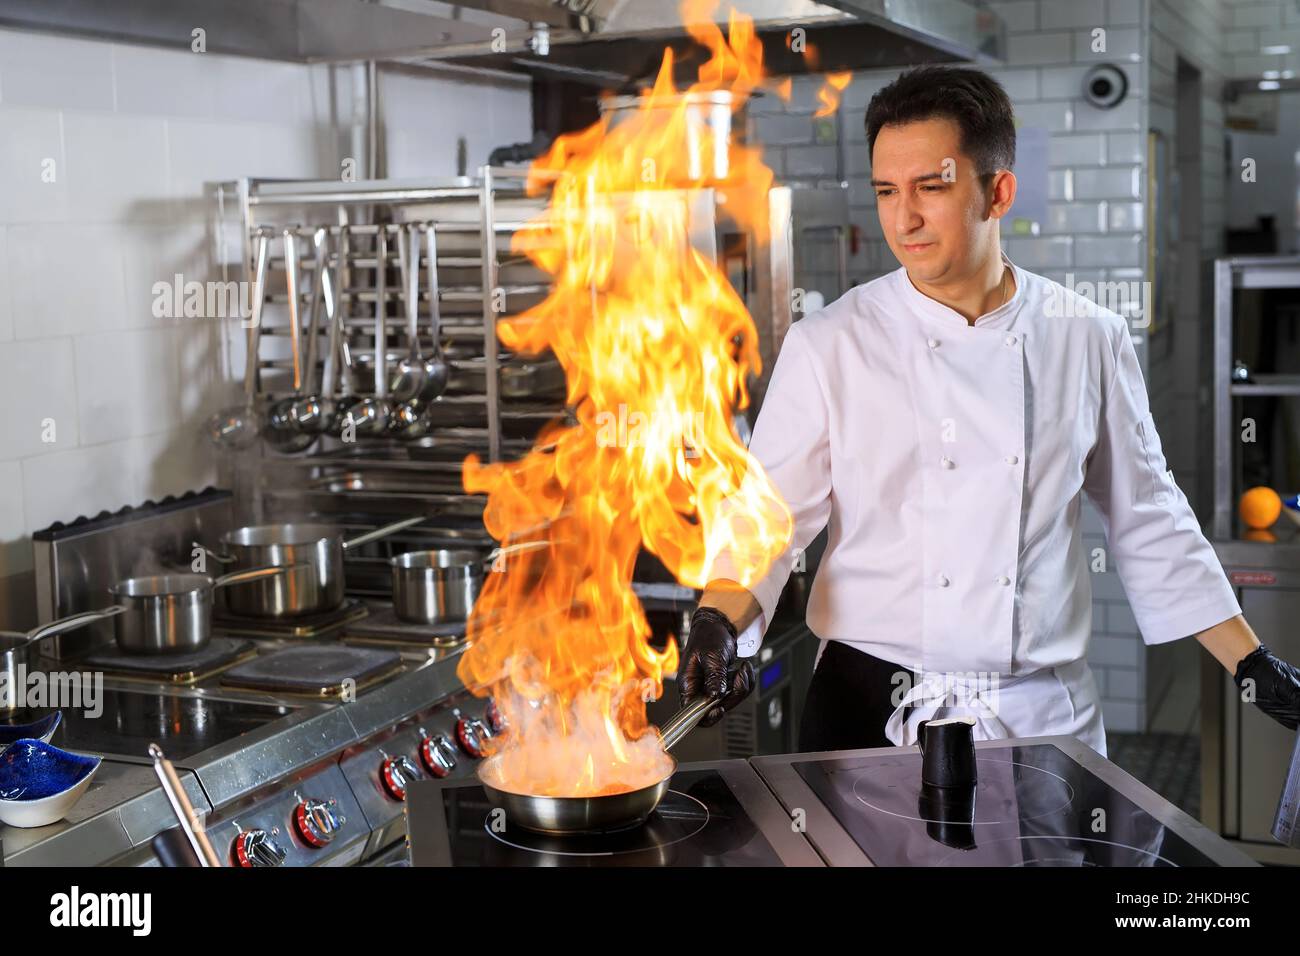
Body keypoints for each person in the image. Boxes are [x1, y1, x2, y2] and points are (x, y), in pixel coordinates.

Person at [679, 65, 1300, 758]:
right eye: (887, 191)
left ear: (997, 191)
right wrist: (716, 622)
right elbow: (767, 523)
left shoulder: (1085, 335)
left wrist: (1253, 664)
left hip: (1036, 713)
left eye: (931, 187)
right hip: (866, 706)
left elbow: (1148, 517)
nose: (903, 217)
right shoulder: (831, 341)